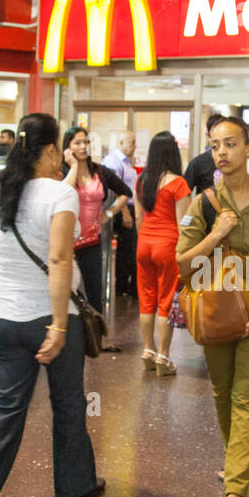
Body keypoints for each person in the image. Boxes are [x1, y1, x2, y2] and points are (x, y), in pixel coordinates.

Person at [0, 113, 104, 497]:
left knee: (6, 406)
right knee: (68, 403)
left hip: (4, 315)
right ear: (52, 149)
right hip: (47, 317)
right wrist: (57, 324)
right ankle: (75, 485)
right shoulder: (60, 195)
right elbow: (58, 259)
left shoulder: (2, 193)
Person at [176, 116, 249, 497]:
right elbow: (183, 265)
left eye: (230, 144)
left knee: (245, 395)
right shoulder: (203, 203)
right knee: (222, 393)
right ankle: (236, 461)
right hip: (216, 310)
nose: (221, 153)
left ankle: (236, 488)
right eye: (214, 145)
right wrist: (216, 233)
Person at [135, 131, 192, 376]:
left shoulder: (141, 181)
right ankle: (163, 356)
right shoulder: (178, 183)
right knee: (165, 301)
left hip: (144, 244)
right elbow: (183, 224)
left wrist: (145, 238)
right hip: (167, 245)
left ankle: (147, 350)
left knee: (147, 299)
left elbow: (138, 217)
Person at [61, 126, 131, 318]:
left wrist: (108, 214)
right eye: (77, 143)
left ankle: (97, 338)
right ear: (67, 147)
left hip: (92, 239)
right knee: (67, 291)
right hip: (65, 241)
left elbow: (126, 192)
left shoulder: (100, 171)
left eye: (86, 142)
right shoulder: (61, 172)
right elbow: (60, 195)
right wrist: (72, 167)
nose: (83, 147)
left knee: (94, 292)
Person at [102, 131, 139, 299]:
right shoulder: (113, 161)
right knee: (127, 251)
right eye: (131, 142)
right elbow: (116, 190)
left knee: (128, 250)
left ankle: (126, 287)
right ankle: (122, 287)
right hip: (120, 210)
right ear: (121, 142)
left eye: (134, 142)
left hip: (130, 208)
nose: (134, 146)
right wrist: (125, 214)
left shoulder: (126, 162)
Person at [183, 113, 225, 194]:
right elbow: (184, 193)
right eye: (215, 132)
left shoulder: (234, 160)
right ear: (208, 134)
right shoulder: (198, 163)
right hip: (205, 205)